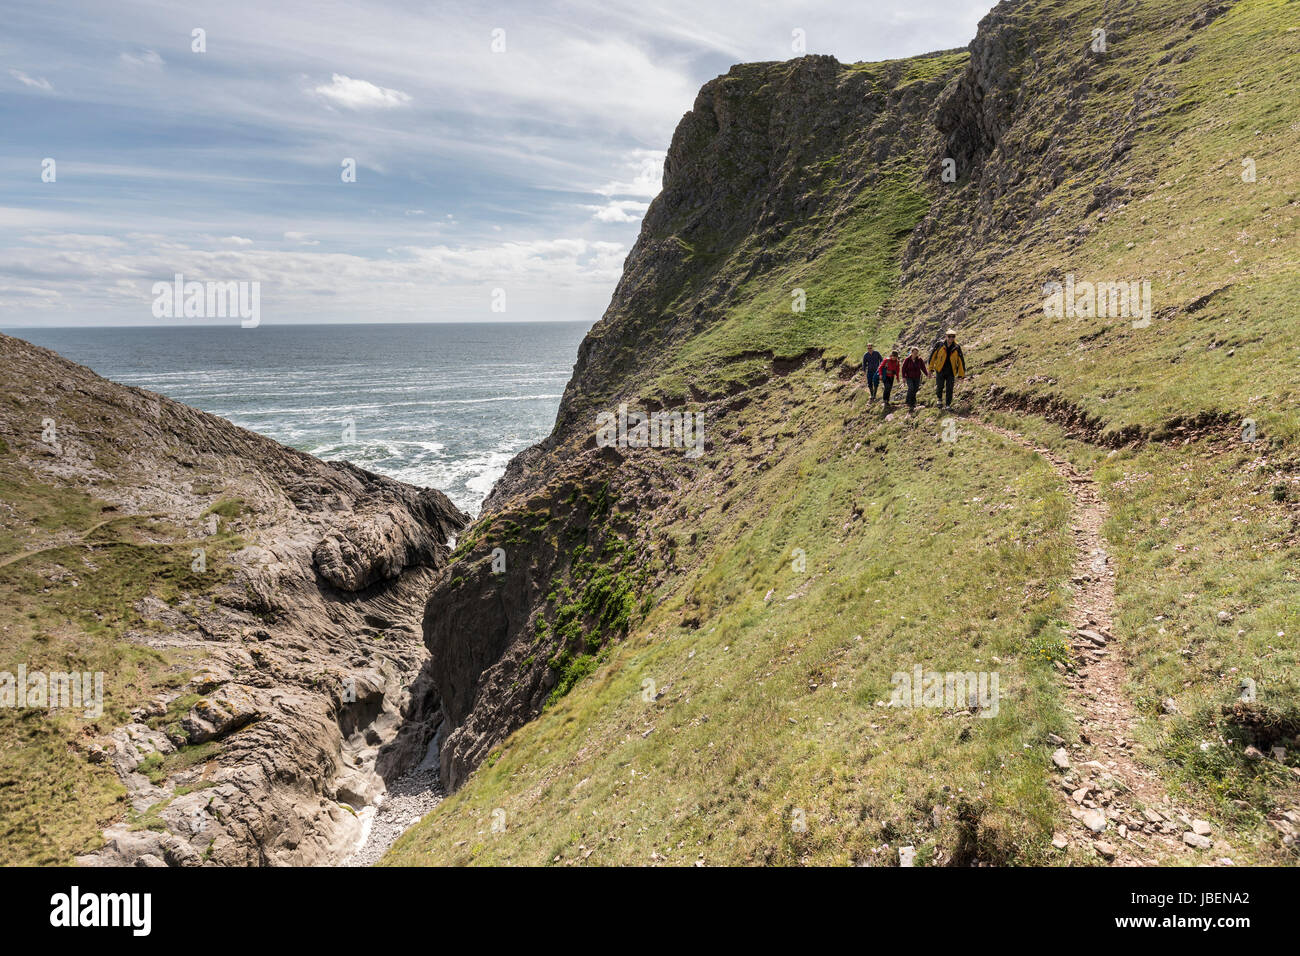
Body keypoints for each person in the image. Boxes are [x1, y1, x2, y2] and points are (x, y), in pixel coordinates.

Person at [928, 328, 966, 410]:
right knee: (940, 386)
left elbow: (961, 362)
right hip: (940, 370)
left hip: (951, 372)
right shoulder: (939, 345)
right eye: (949, 336)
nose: (951, 338)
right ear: (946, 336)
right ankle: (939, 399)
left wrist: (961, 375)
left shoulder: (957, 347)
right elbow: (932, 357)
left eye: (953, 337)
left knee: (949, 388)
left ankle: (948, 404)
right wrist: (930, 370)